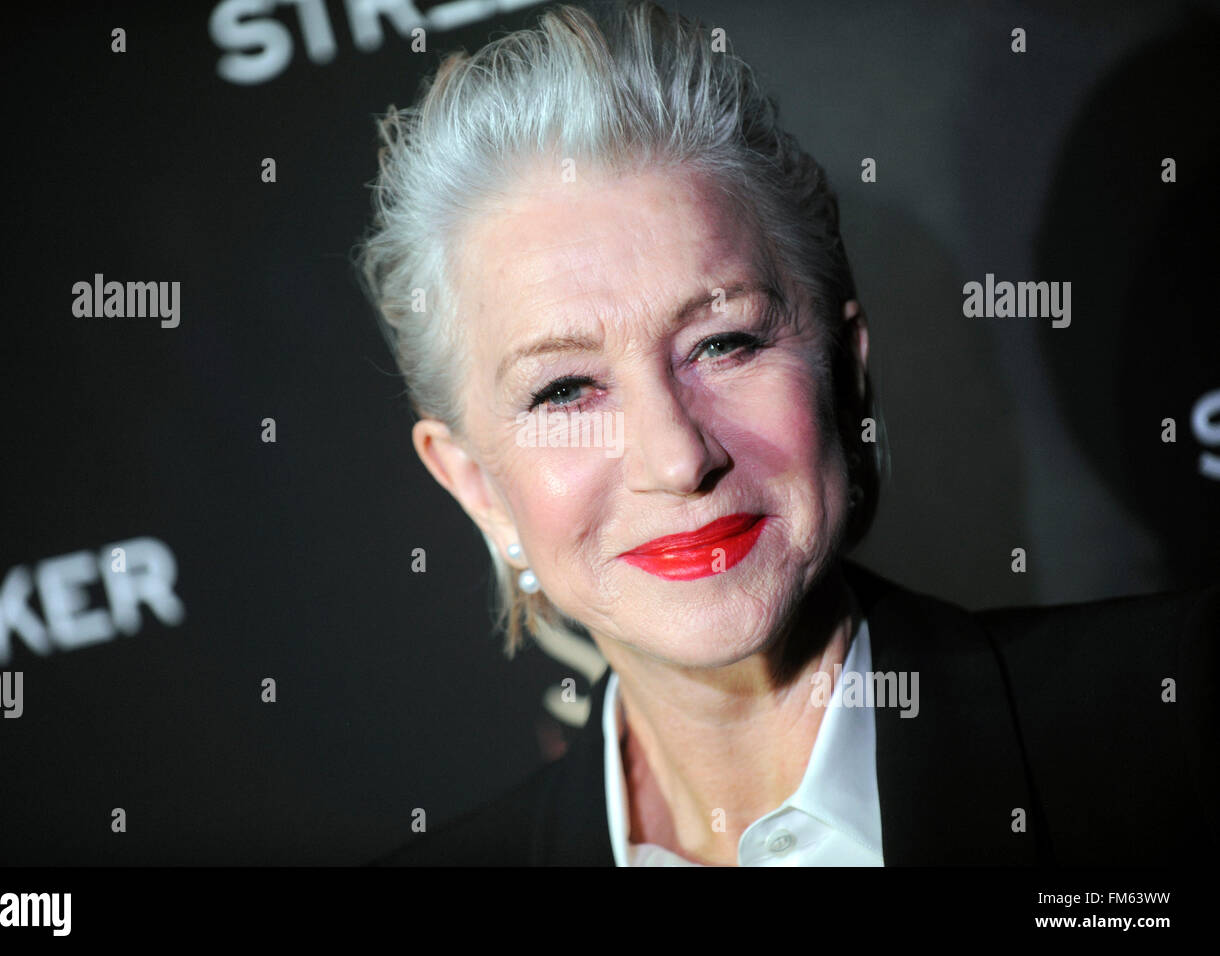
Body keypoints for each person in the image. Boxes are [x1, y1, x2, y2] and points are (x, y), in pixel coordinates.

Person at [354, 1, 1218, 866]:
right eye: (566, 389)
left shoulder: (1176, 728)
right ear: (474, 484)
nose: (678, 456)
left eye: (722, 344)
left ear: (843, 371)